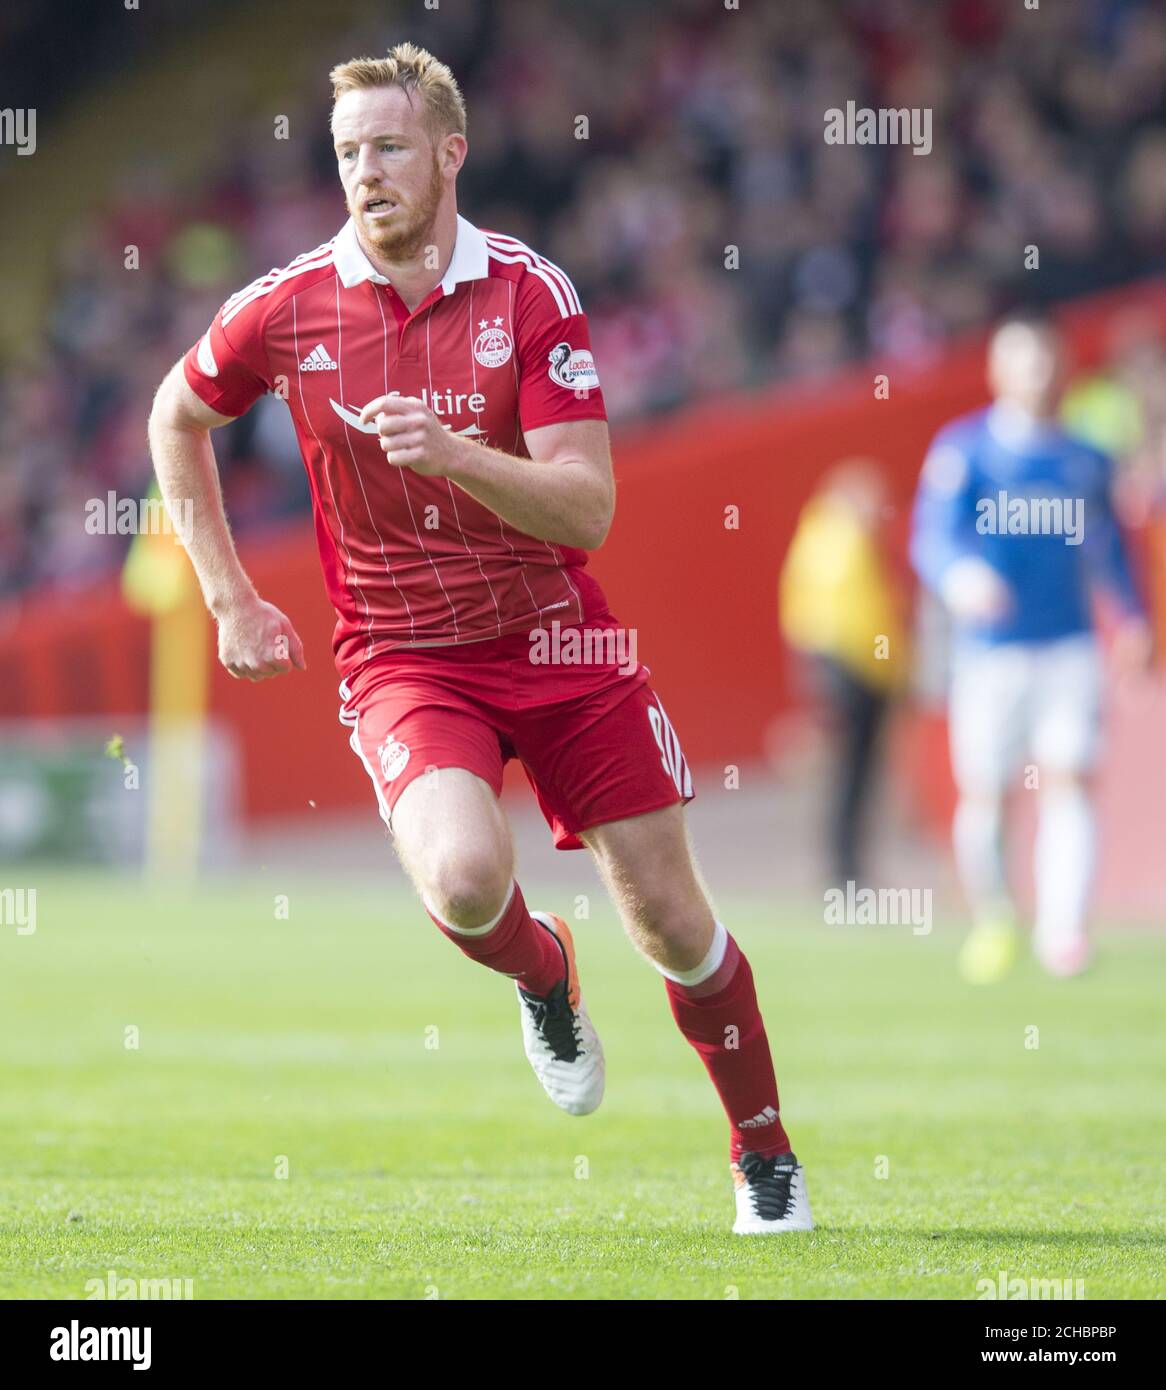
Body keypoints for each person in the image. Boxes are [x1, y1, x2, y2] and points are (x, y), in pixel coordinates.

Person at [147, 43, 812, 1233]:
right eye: (347, 152)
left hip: (556, 641)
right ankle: (543, 971)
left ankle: (761, 1151)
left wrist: (454, 453)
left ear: (449, 152)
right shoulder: (289, 304)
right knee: (461, 881)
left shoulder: (528, 292)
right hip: (404, 656)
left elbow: (590, 507)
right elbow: (176, 410)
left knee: (671, 920)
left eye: (389, 147)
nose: (365, 173)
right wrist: (228, 596)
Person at [910, 313, 1153, 982]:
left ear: (1062, 369)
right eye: (1021, 362)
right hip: (990, 652)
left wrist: (1134, 618)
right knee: (987, 793)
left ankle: (1064, 932)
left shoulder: (1085, 460)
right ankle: (995, 919)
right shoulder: (964, 452)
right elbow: (933, 537)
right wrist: (964, 578)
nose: (1036, 375)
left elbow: (1113, 550)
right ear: (997, 371)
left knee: (1070, 779)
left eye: (1045, 361)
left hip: (1069, 647)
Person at [779, 459, 906, 887]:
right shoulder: (836, 535)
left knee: (857, 773)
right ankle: (843, 869)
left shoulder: (829, 535)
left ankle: (848, 867)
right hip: (850, 669)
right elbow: (847, 616)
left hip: (857, 668)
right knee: (851, 772)